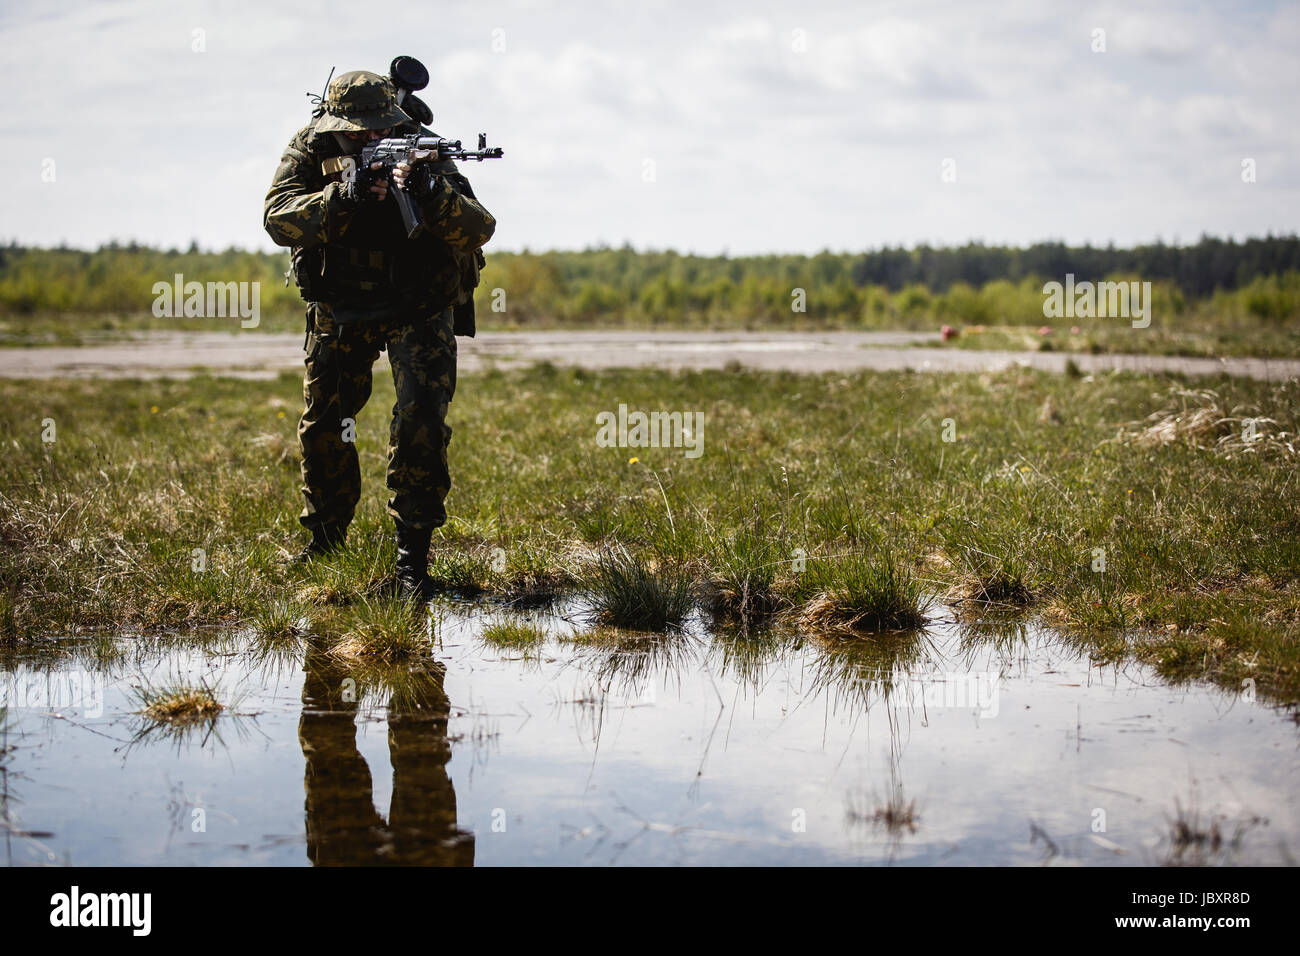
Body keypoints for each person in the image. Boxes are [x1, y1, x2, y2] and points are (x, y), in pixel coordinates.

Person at [263, 69, 496, 599]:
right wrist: (340, 199)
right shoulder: (310, 147)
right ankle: (324, 542)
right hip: (342, 303)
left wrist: (429, 191)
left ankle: (412, 560)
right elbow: (278, 220)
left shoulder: (422, 148)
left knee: (420, 420)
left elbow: (478, 226)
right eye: (360, 132)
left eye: (379, 130)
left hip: (419, 302)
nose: (373, 139)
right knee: (327, 421)